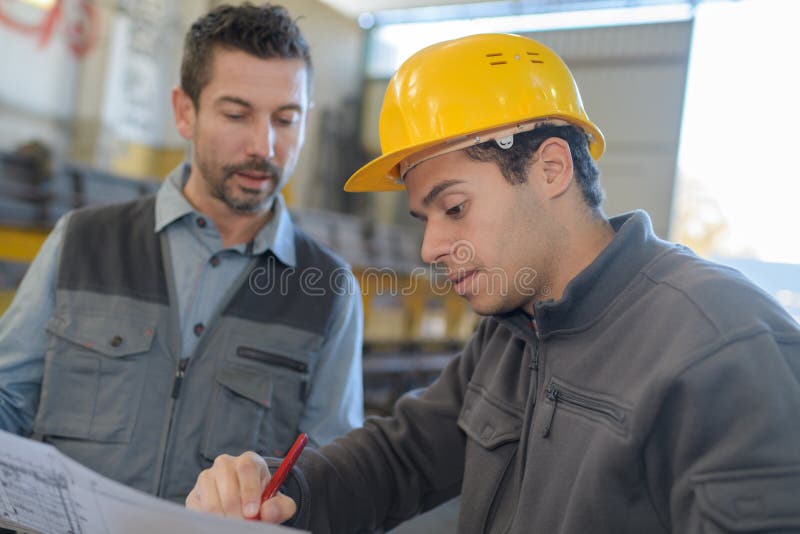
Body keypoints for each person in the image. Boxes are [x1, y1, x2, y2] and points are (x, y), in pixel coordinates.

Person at [186, 33, 800, 532]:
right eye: (424, 218)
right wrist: (278, 487)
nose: (430, 248)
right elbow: (399, 459)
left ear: (551, 168)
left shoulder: (723, 345)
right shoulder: (513, 334)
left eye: (454, 208)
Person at [0, 3, 364, 502]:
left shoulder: (327, 290)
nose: (265, 145)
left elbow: (330, 474)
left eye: (285, 118)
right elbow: (7, 400)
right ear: (184, 112)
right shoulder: (82, 242)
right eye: (237, 114)